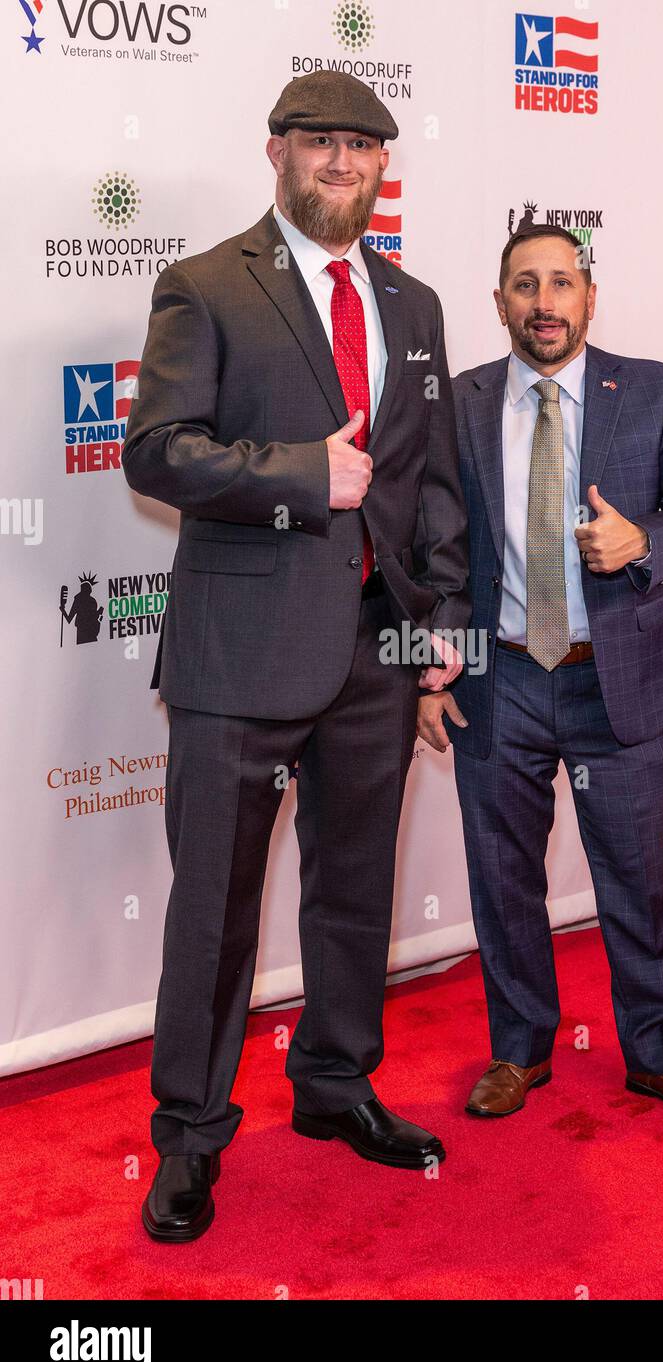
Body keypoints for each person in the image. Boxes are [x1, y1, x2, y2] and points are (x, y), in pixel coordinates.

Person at [122, 71, 469, 1242]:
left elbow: (428, 488)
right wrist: (294, 474)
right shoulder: (208, 284)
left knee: (353, 888)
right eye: (321, 143)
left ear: (383, 166)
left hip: (376, 652)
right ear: (276, 150)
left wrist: (437, 634)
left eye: (363, 149)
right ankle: (187, 1136)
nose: (342, 164)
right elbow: (158, 451)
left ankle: (332, 1082)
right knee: (212, 911)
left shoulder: (414, 305)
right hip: (238, 655)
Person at [417, 224, 663, 1126]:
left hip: (620, 681)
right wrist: (434, 671)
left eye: (562, 282)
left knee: (638, 877)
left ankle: (661, 1059)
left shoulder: (651, 389)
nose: (545, 302)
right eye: (524, 285)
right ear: (500, 306)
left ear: (590, 296)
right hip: (502, 680)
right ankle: (520, 1053)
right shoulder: (463, 402)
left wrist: (644, 543)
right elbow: (437, 553)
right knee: (503, 877)